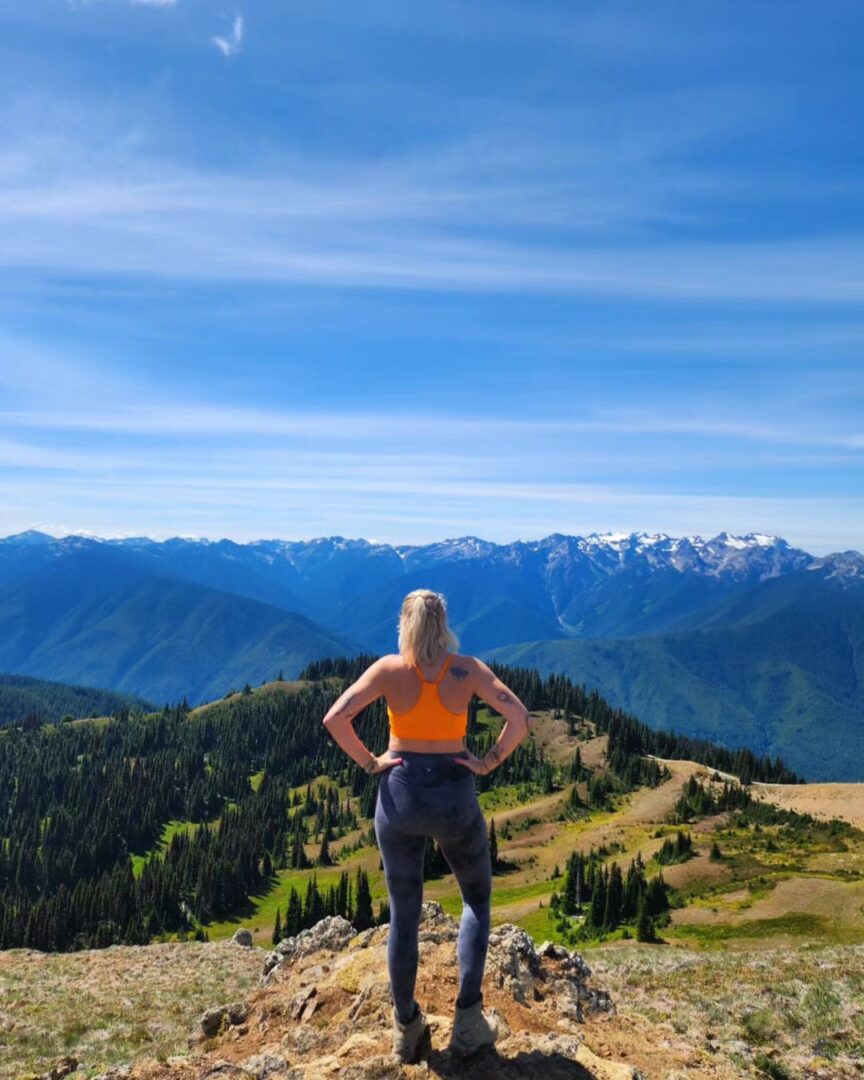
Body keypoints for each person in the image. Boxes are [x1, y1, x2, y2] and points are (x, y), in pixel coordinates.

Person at [321, 588, 533, 1063]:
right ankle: (469, 1023)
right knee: (476, 900)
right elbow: (519, 717)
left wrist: (372, 762)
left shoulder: (389, 670)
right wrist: (488, 762)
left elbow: (335, 718)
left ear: (405, 625)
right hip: (455, 797)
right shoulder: (468, 670)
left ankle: (406, 1028)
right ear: (443, 624)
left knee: (405, 913)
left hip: (400, 795)